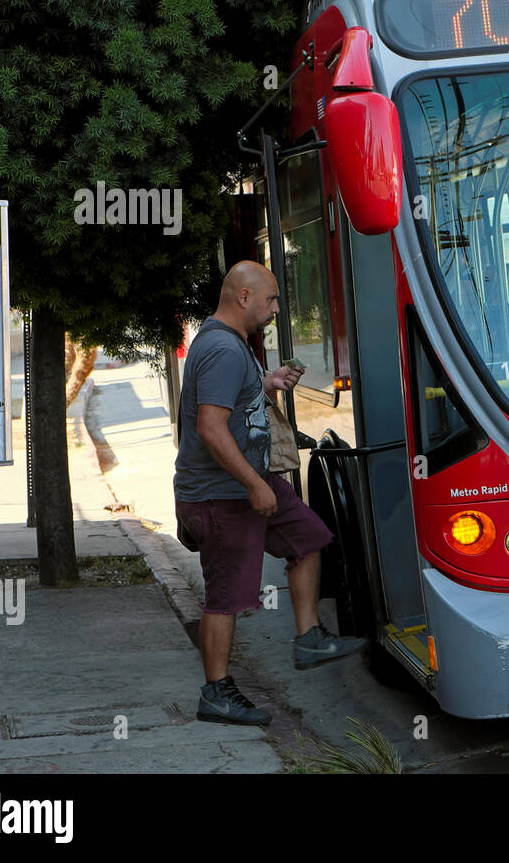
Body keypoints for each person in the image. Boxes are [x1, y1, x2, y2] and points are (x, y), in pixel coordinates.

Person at [174, 261, 364, 726]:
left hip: (248, 484)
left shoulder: (228, 342)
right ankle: (215, 693)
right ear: (244, 297)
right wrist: (256, 485)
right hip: (223, 495)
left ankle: (308, 638)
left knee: (310, 538)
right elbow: (210, 428)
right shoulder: (221, 347)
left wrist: (267, 383)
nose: (276, 309)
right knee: (227, 596)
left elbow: (228, 398)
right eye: (271, 299)